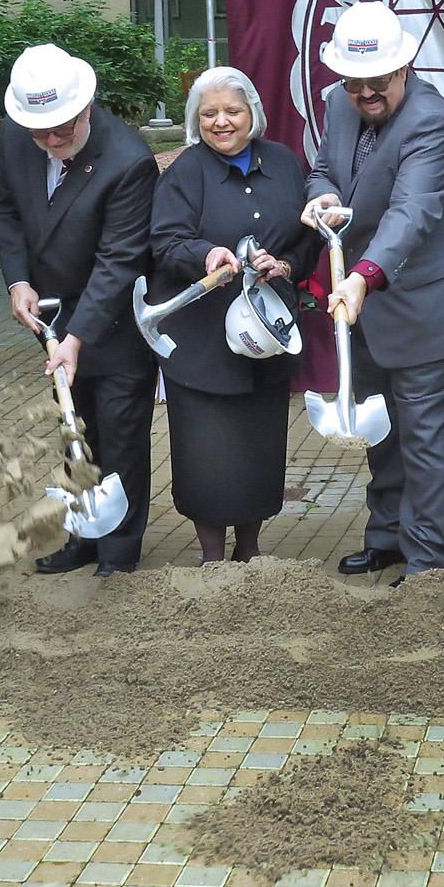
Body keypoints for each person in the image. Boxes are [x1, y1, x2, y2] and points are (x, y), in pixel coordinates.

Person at [302, 1, 444, 580]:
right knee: (380, 426)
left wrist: (361, 277)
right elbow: (323, 168)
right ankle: (387, 538)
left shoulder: (432, 123)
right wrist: (323, 194)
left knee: (427, 442)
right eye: (354, 83)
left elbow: (411, 214)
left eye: (378, 80)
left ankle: (430, 564)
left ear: (405, 66)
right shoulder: (339, 103)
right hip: (369, 306)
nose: (366, 93)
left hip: (428, 305)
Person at [0, 43, 157, 577]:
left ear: (86, 107)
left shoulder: (127, 160)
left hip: (113, 320)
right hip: (55, 318)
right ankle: (83, 535)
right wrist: (17, 280)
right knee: (75, 428)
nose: (53, 140)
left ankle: (118, 551)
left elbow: (119, 260)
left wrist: (78, 338)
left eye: (64, 129)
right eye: (42, 132)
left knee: (120, 431)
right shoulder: (18, 135)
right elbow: (10, 211)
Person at [150, 67, 314, 563]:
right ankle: (211, 558)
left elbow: (307, 238)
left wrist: (282, 265)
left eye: (232, 111)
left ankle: (250, 548)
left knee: (258, 451)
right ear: (195, 121)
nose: (221, 122)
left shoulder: (285, 163)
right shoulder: (185, 171)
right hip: (200, 344)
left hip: (264, 336)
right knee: (207, 456)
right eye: (209, 114)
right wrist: (205, 255)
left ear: (253, 115)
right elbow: (164, 242)